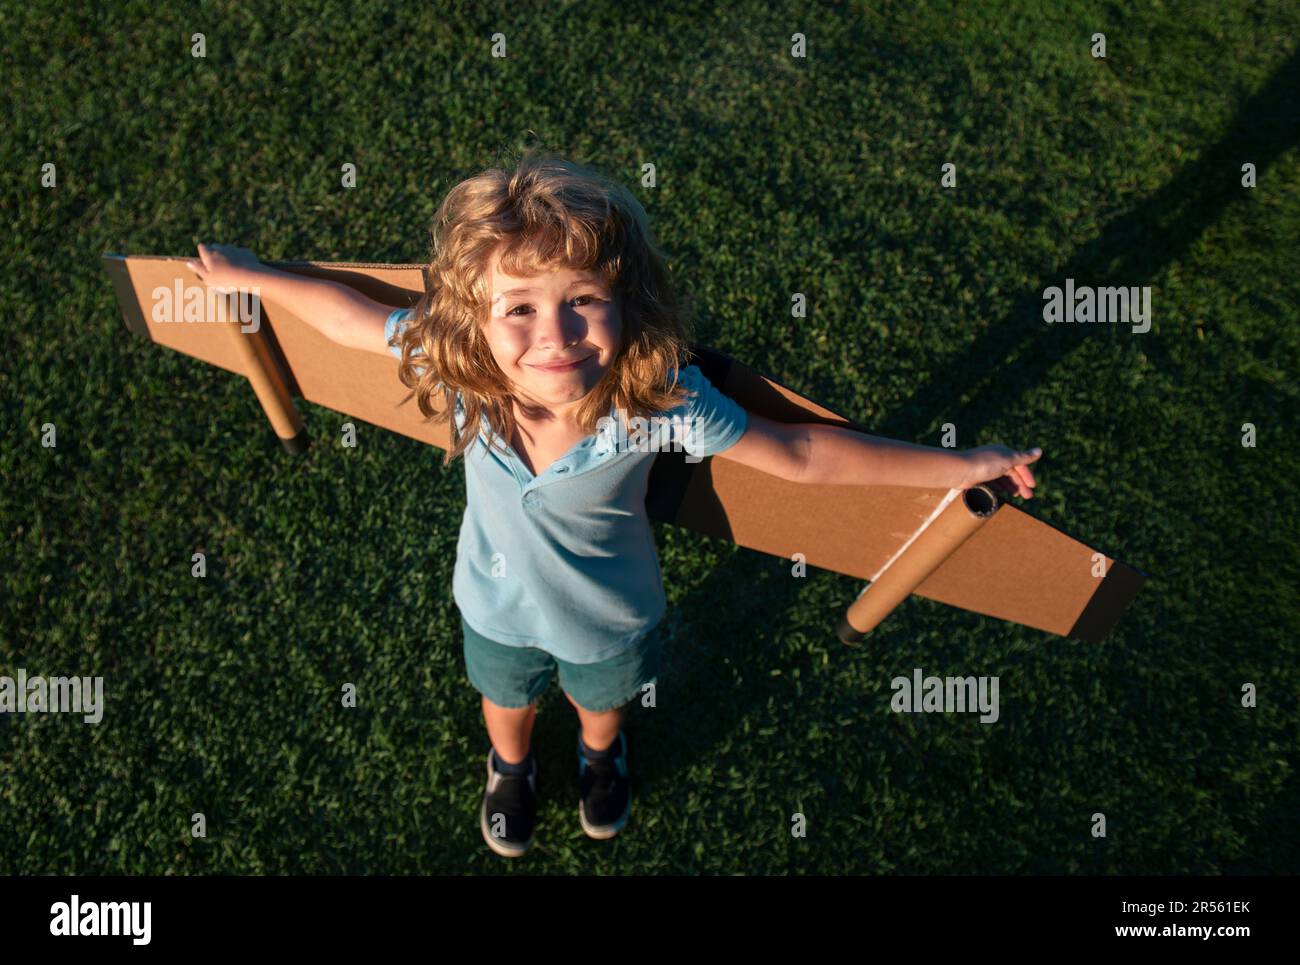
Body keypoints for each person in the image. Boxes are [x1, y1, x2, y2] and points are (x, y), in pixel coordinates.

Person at [187, 148, 1041, 858]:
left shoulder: (657, 402)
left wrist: (956, 466)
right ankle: (510, 770)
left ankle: (603, 758)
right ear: (471, 319)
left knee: (602, 703)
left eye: (581, 301)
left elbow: (805, 453)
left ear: (627, 303)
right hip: (493, 606)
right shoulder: (461, 374)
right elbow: (346, 317)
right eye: (518, 307)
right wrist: (254, 277)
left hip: (611, 620)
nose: (553, 336)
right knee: (505, 698)